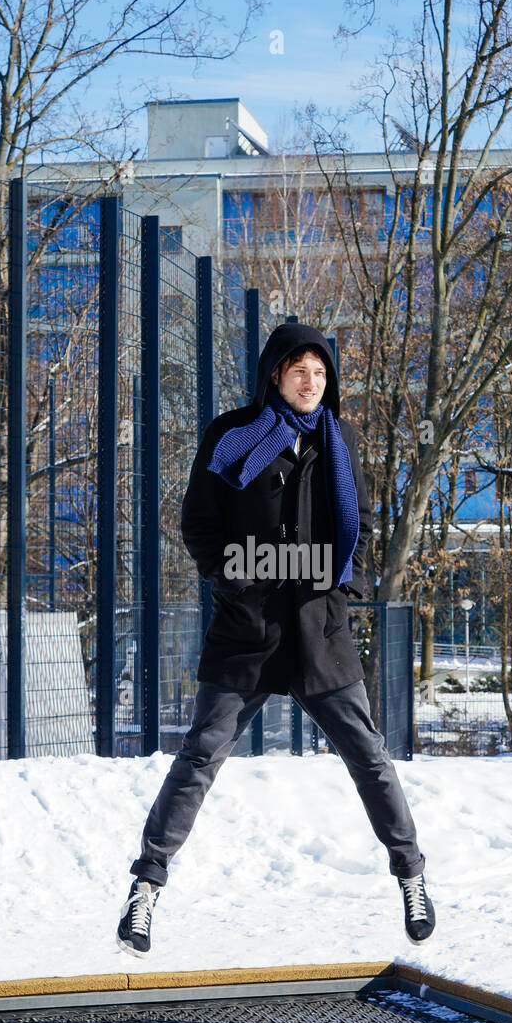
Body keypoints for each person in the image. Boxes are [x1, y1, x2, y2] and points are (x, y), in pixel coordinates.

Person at [117, 322, 434, 955]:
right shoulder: (232, 434)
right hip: (247, 627)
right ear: (274, 375)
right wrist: (233, 582)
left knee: (368, 754)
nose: (310, 383)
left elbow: (362, 525)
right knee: (201, 755)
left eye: (319, 374)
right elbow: (200, 523)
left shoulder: (339, 438)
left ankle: (413, 877)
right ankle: (145, 891)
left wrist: (340, 589)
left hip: (321, 629)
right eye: (298, 372)